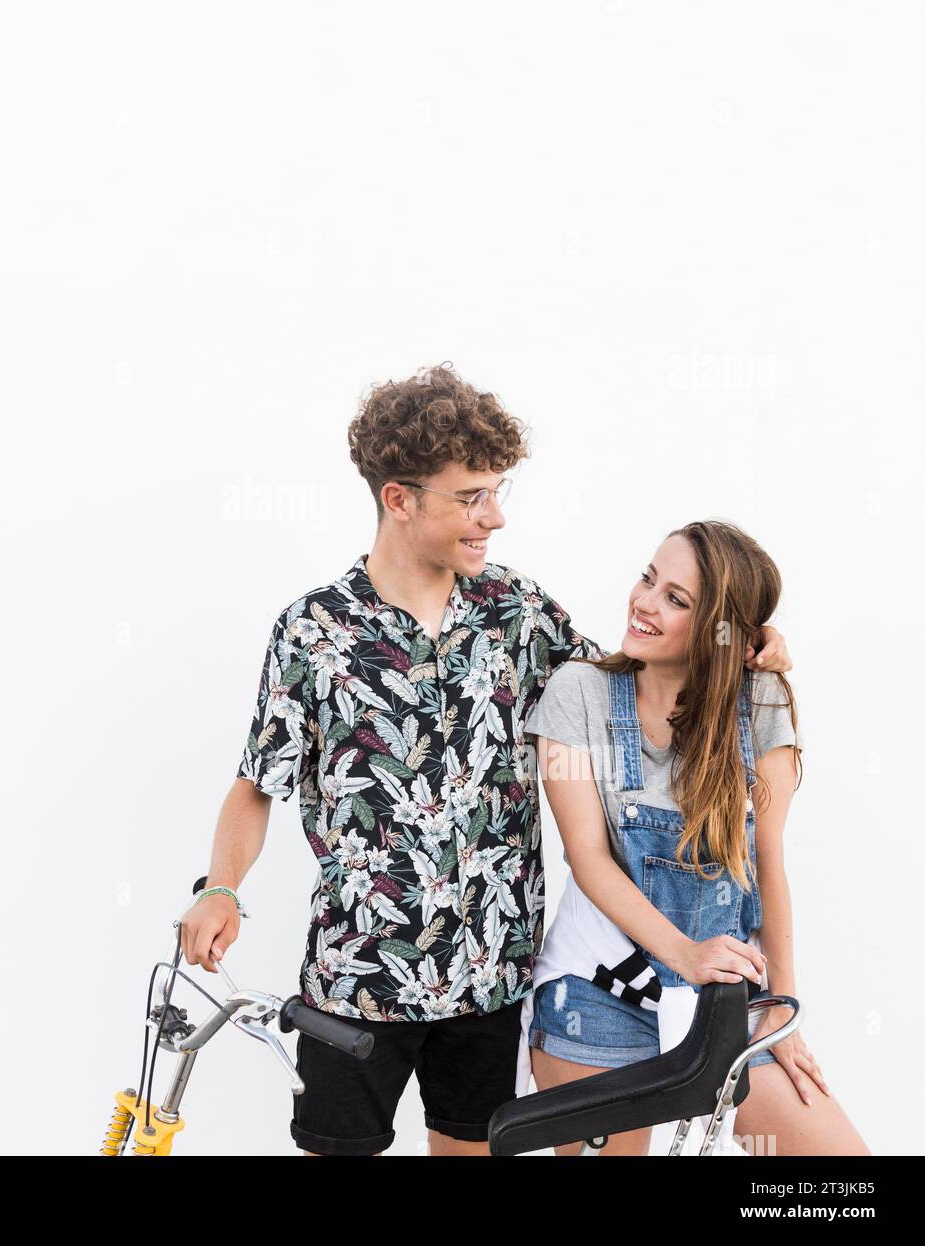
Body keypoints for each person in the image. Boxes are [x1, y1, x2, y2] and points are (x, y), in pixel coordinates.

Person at [181, 364, 791, 1157]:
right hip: (355, 984)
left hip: (490, 985)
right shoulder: (312, 633)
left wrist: (742, 643)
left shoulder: (520, 612)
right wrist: (222, 888)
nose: (493, 517)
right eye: (471, 497)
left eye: (497, 491)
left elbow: (631, 685)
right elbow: (257, 783)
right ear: (399, 499)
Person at [522, 520, 869, 1155]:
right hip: (598, 990)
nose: (645, 602)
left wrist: (780, 1016)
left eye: (677, 599)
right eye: (648, 578)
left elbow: (770, 864)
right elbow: (588, 860)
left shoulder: (760, 702)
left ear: (723, 634)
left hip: (722, 1001)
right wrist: (683, 953)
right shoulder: (581, 693)